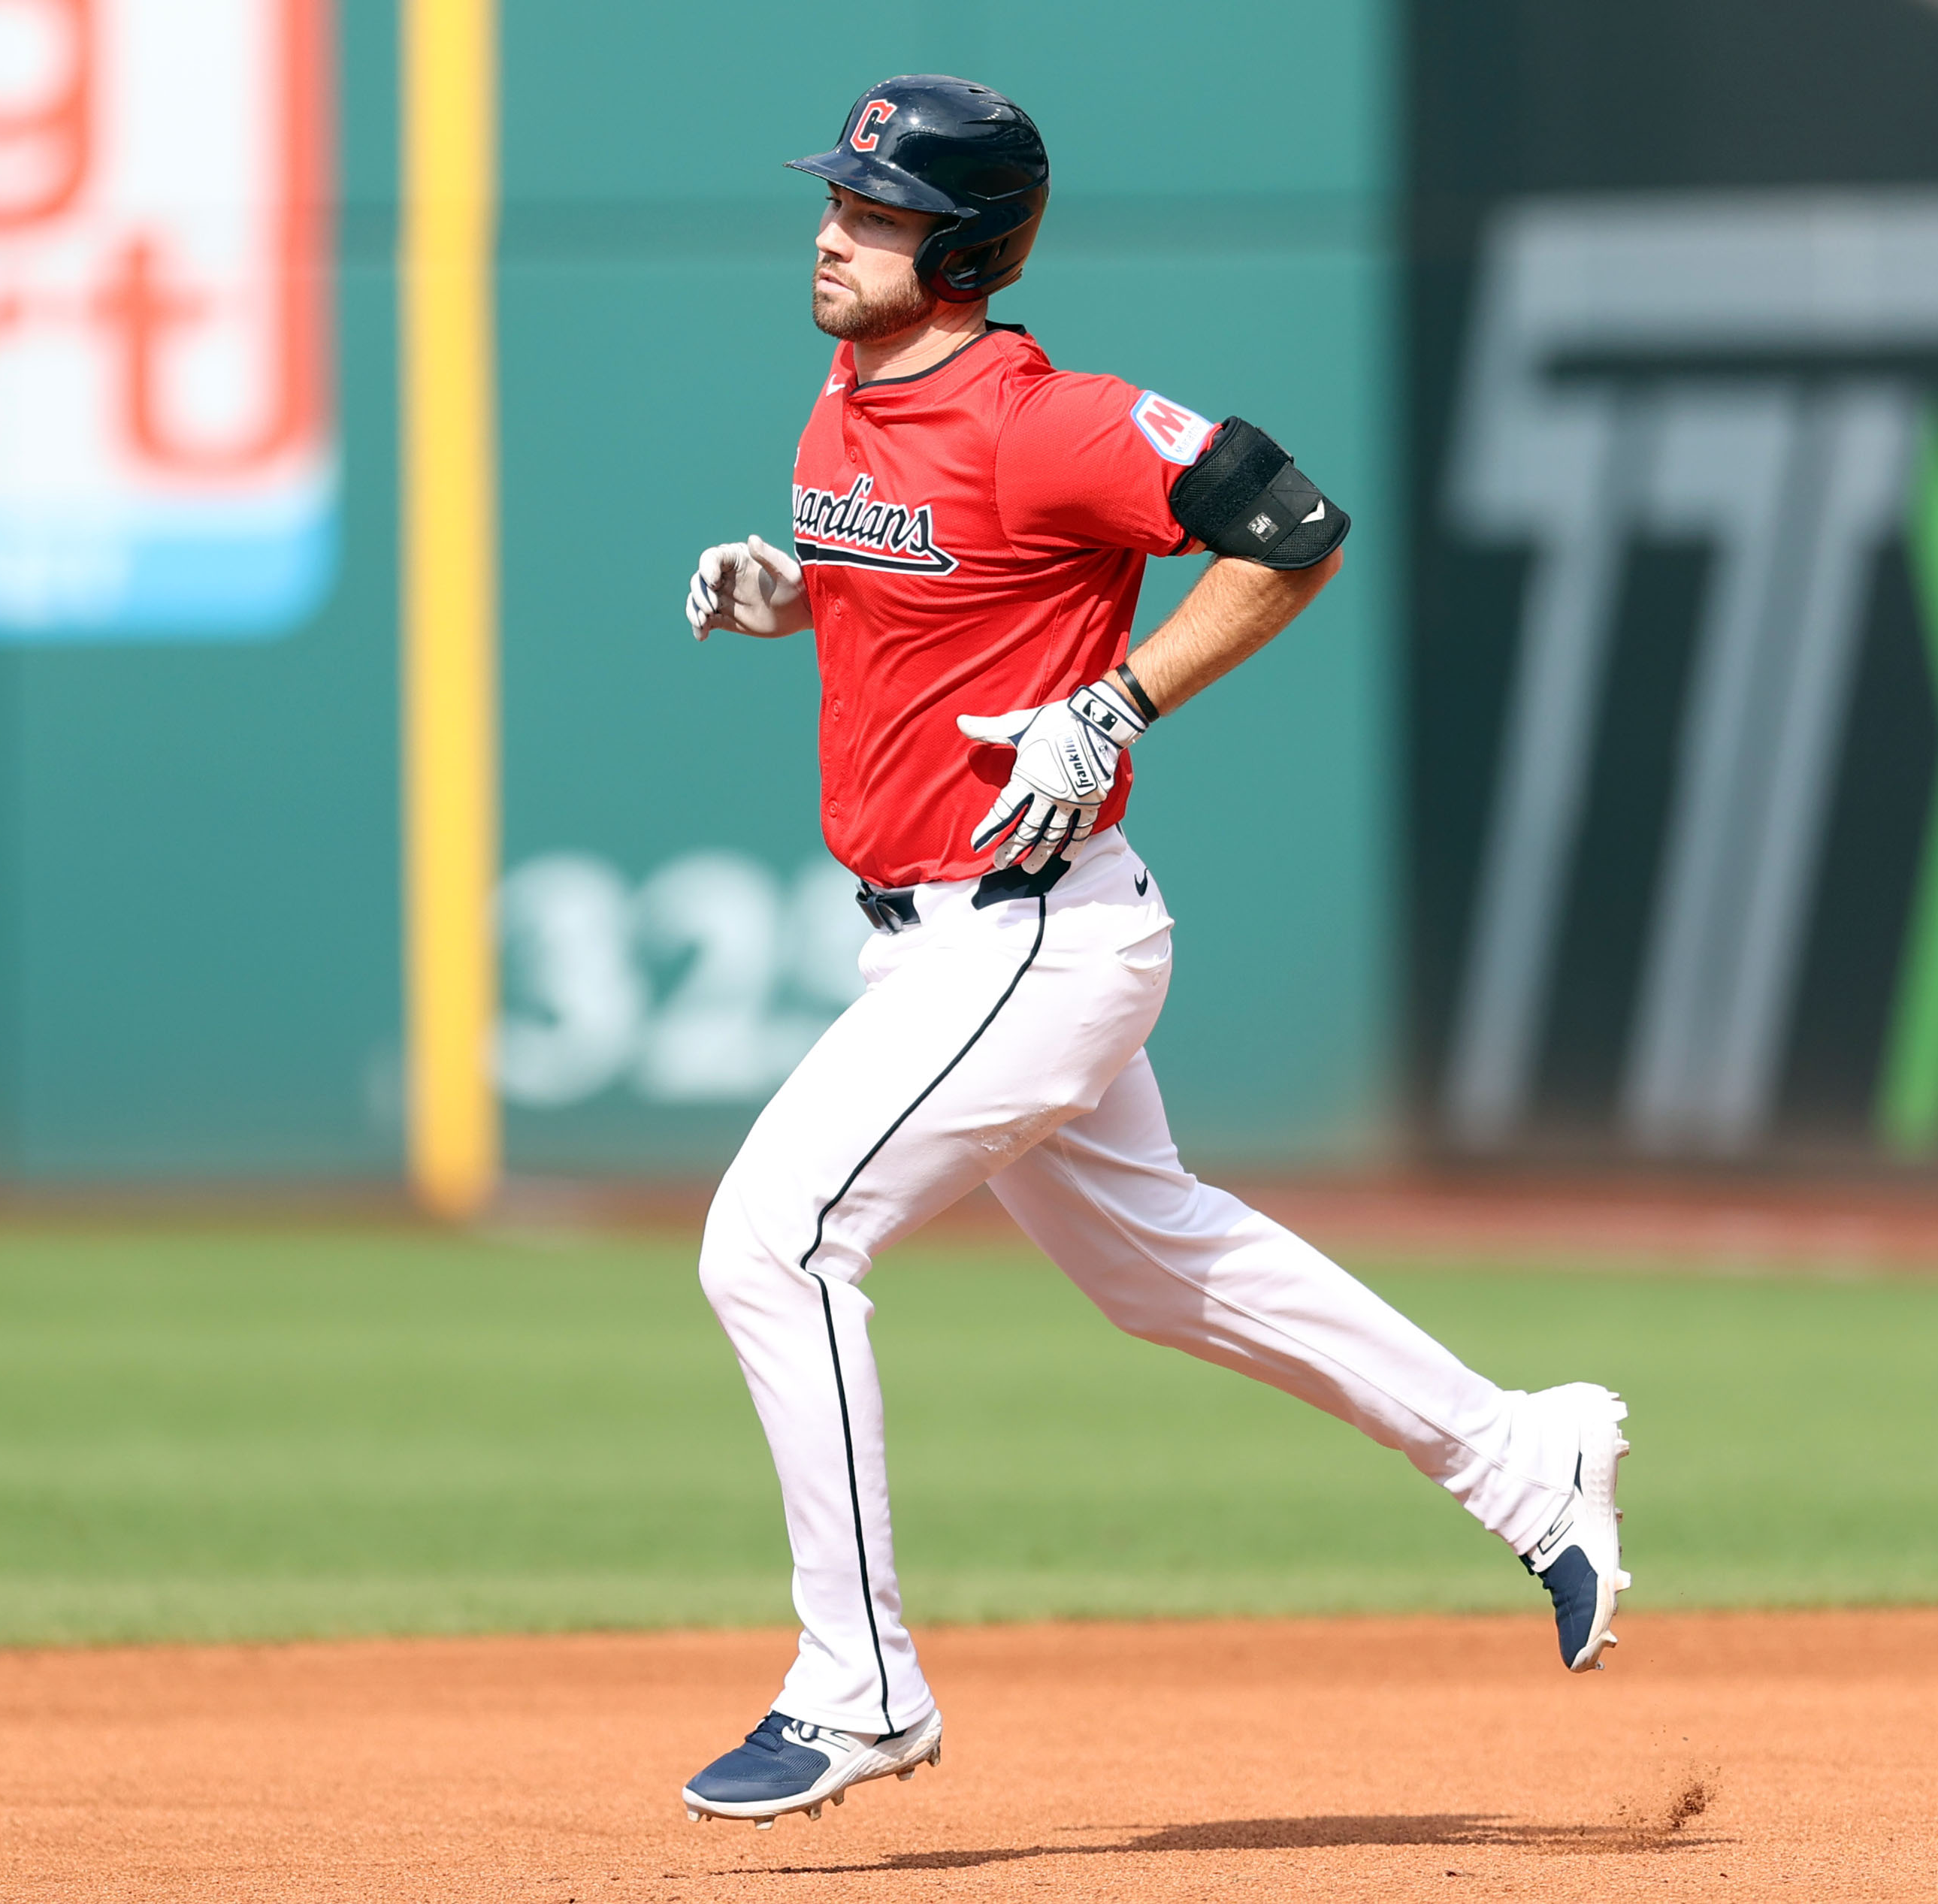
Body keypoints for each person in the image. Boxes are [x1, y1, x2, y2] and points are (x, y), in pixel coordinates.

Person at [673, 75, 1629, 1832]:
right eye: (840, 199)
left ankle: (857, 1683)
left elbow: (1294, 526)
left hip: (1033, 937)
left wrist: (1117, 697)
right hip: (937, 948)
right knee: (1155, 1269)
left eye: (877, 213)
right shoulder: (850, 393)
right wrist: (793, 588)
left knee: (773, 1243)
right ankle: (1524, 1452)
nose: (833, 230)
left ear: (958, 246)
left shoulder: (1047, 416)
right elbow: (943, 570)